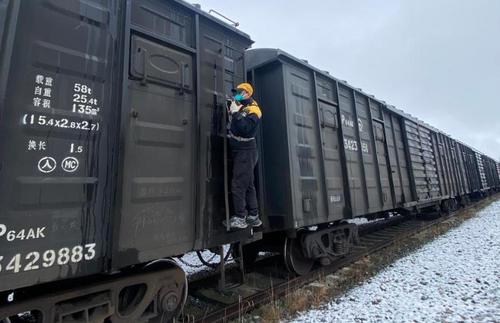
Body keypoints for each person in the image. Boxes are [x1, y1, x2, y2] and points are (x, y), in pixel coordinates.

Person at [224, 82, 263, 230]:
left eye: (239, 92)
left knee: (239, 183)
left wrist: (235, 113)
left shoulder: (254, 110)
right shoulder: (243, 106)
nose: (236, 95)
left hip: (246, 151)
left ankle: (240, 218)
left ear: (247, 93)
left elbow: (246, 128)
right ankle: (253, 216)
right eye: (236, 93)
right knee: (248, 184)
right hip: (244, 150)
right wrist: (232, 107)